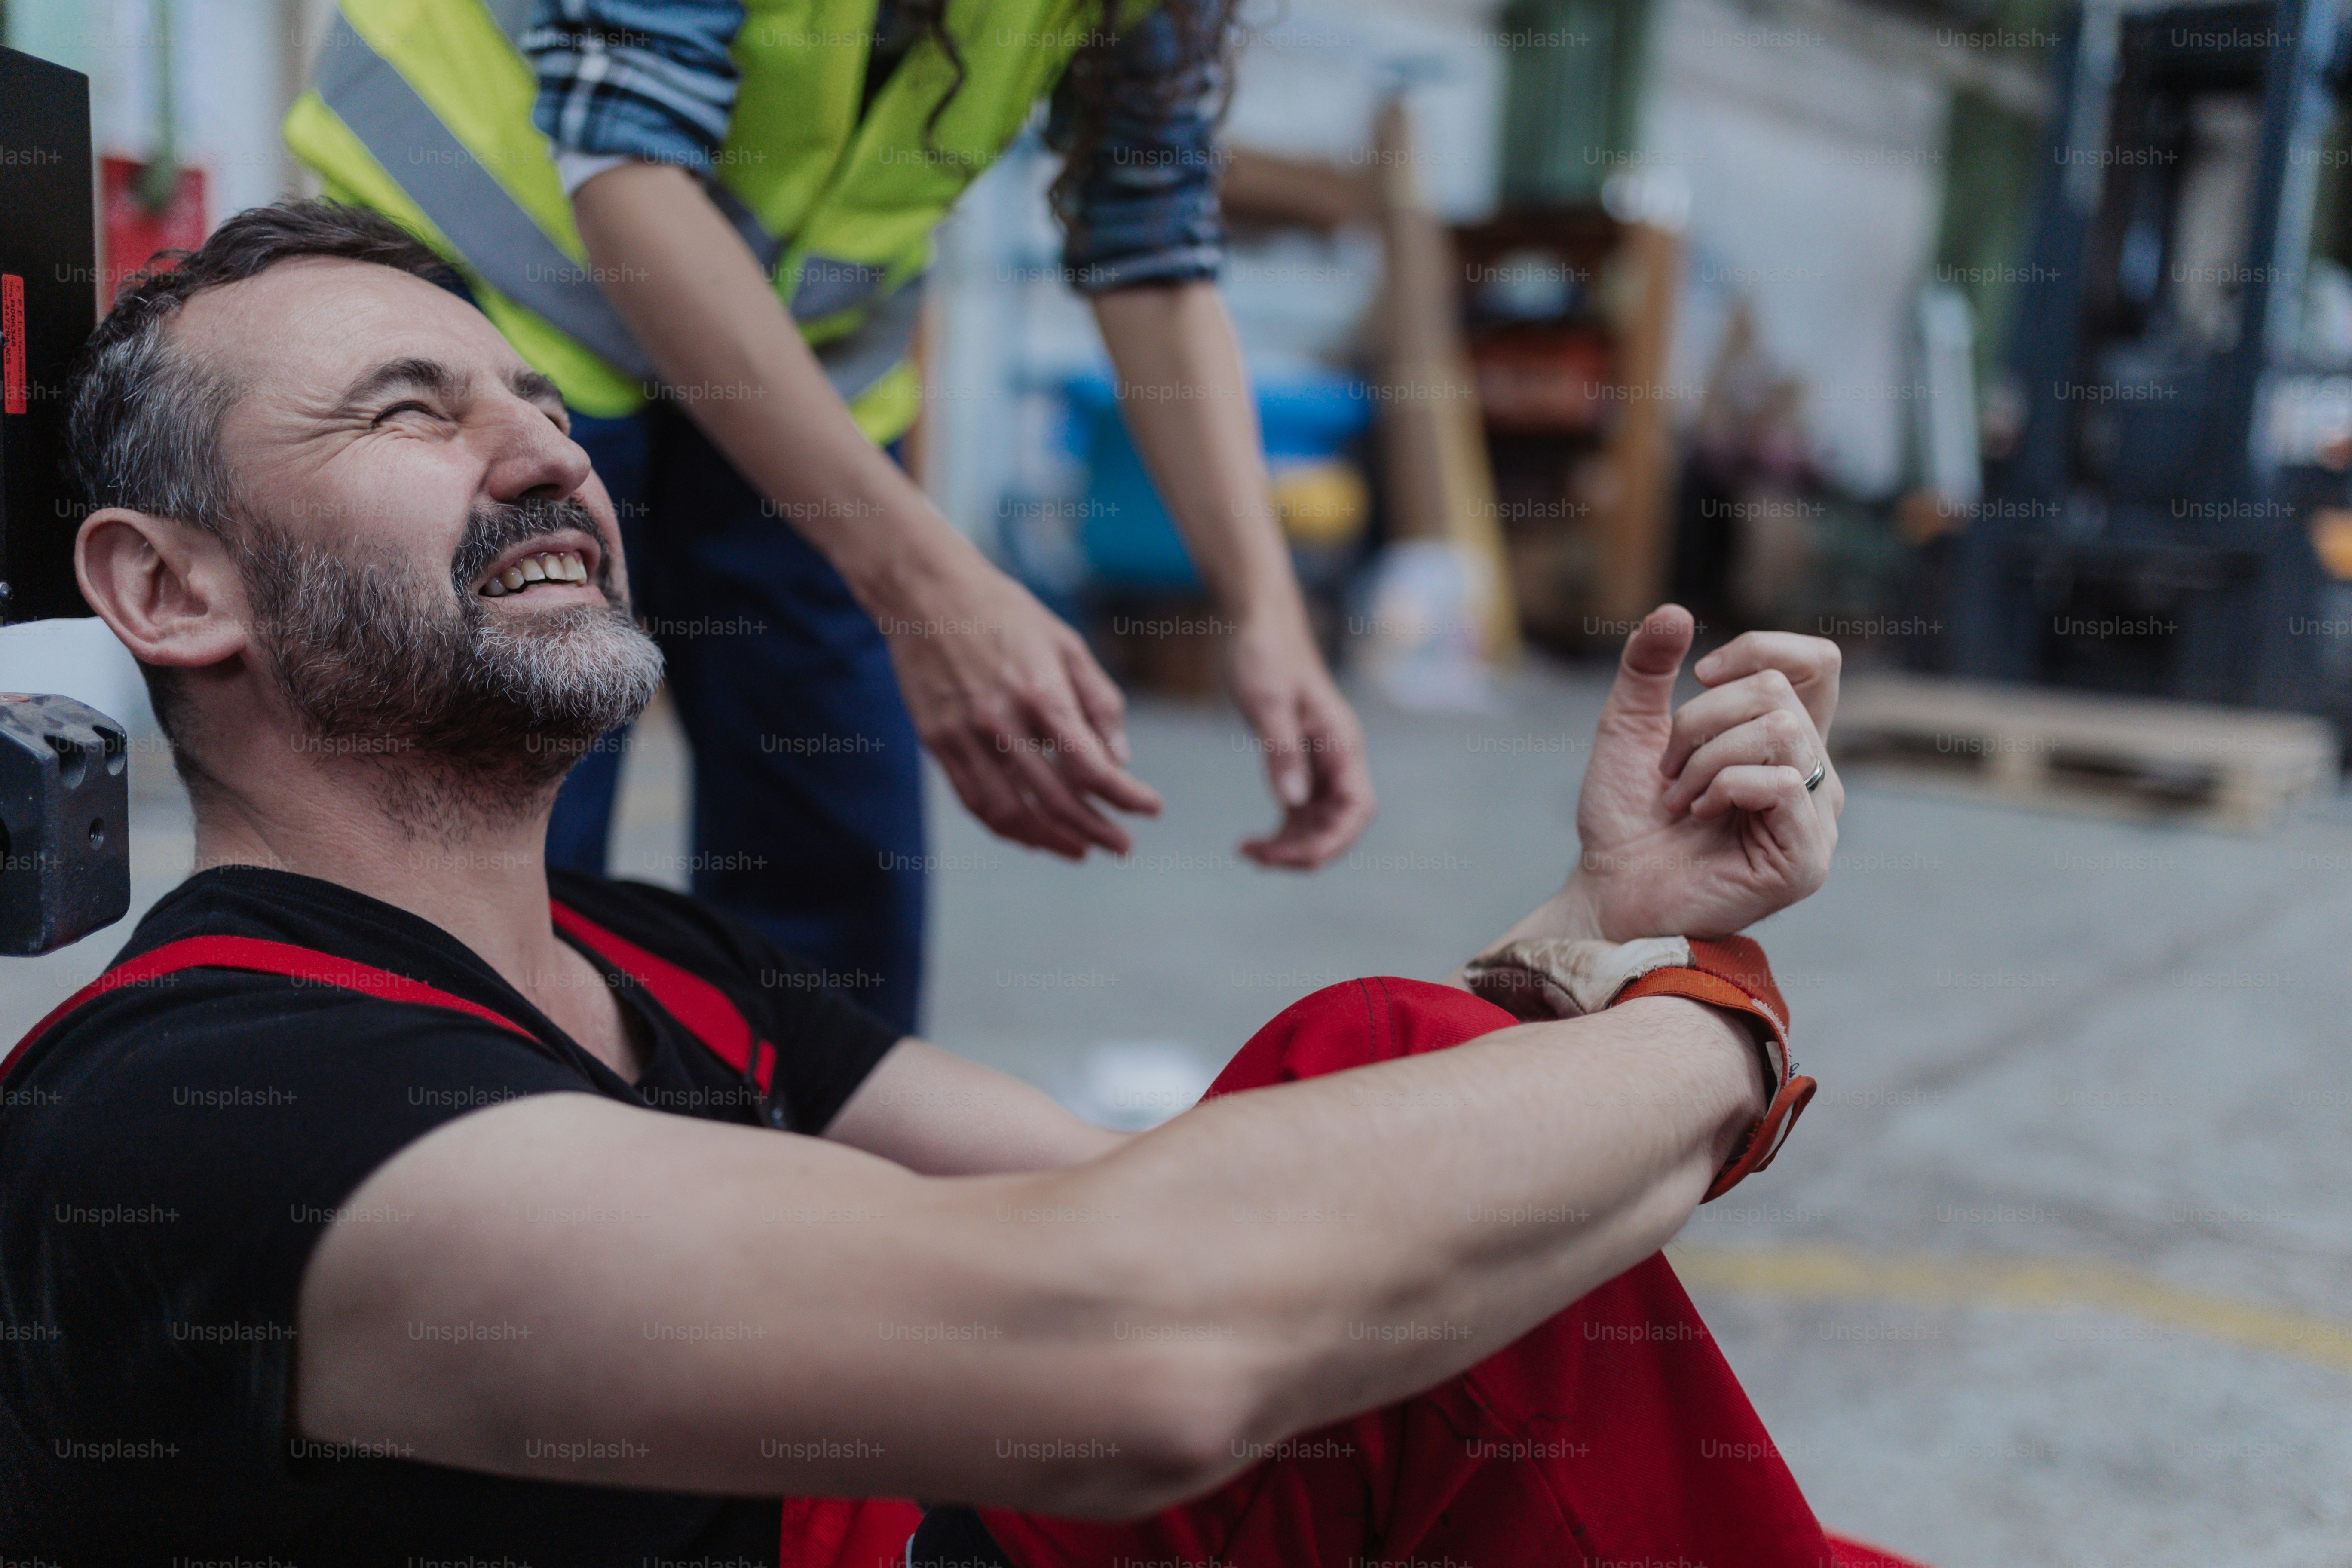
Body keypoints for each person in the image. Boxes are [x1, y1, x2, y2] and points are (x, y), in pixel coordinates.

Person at [0, 206, 1901, 1568]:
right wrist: (1713, 1022)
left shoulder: (655, 963)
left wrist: (1616, 925)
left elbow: (1278, 1231)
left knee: (1379, 1058)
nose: (550, 455)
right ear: (170, 590)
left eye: (544, 404)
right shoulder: (192, 1114)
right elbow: (1139, 1344)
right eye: (412, 414)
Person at [282, 0, 1378, 1034]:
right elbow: (628, 163)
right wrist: (928, 583)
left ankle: (814, 1207)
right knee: (491, 869)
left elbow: (1150, 246)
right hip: (487, 300)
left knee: (834, 885)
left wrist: (1264, 605)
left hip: (797, 373)